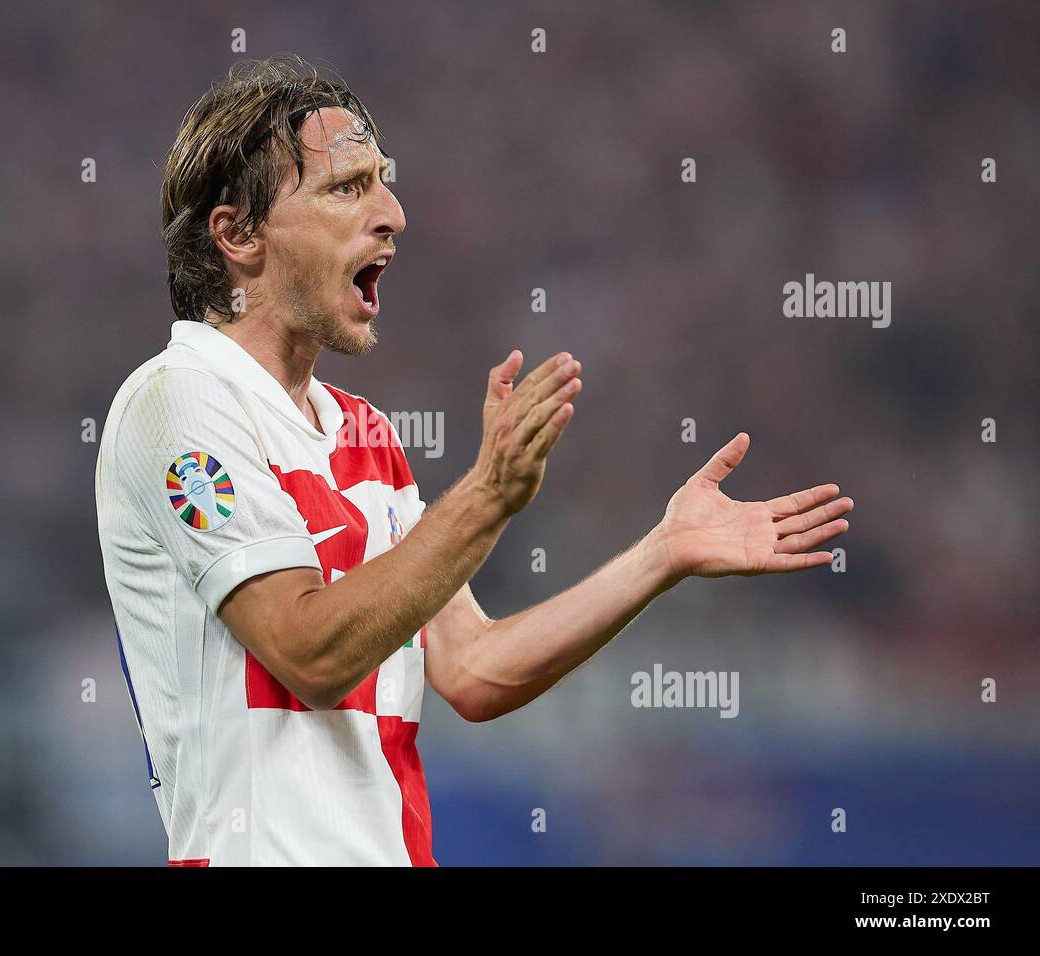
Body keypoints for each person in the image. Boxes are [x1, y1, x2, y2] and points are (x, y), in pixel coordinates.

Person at [94, 54, 852, 866]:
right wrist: (488, 496)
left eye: (382, 180)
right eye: (346, 187)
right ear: (238, 232)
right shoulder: (179, 399)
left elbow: (475, 669)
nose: (393, 213)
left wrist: (659, 555)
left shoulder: (365, 435)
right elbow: (308, 653)